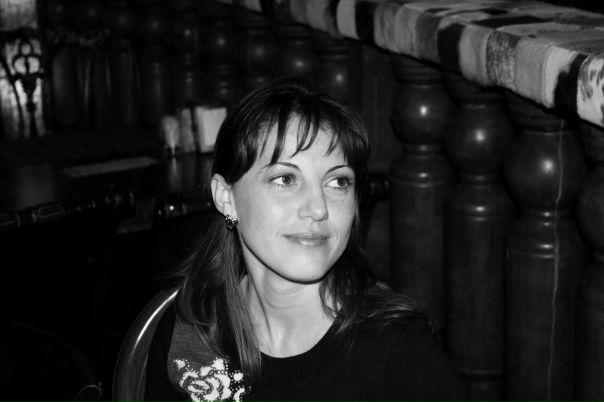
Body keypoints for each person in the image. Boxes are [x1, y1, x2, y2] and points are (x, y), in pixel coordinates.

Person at [144, 78, 467, 402]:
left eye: (338, 182)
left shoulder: (400, 352)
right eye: (286, 179)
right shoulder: (191, 332)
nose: (318, 208)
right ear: (227, 198)